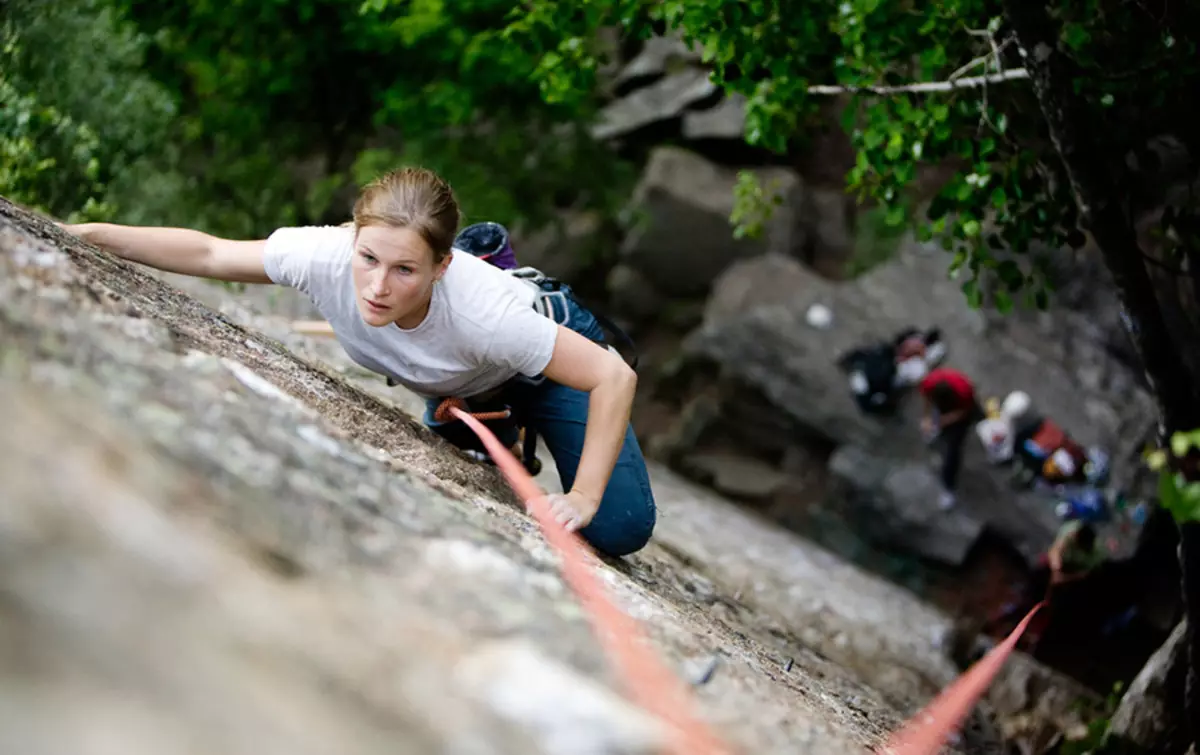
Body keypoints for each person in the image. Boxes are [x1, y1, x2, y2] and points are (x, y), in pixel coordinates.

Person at [58, 167, 657, 557]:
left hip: (540, 357)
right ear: (352, 240)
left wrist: (578, 498)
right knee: (463, 422)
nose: (376, 286)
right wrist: (85, 234)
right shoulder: (323, 255)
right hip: (467, 378)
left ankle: (489, 272)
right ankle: (473, 403)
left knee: (617, 526)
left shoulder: (486, 317)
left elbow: (613, 375)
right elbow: (211, 252)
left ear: (439, 269)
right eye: (369, 258)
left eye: (404, 270)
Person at [918, 366, 984, 510]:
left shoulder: (964, 391)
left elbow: (962, 412)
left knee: (953, 451)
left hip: (964, 410)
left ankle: (949, 489)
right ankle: (936, 436)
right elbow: (927, 401)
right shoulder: (929, 383)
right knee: (934, 426)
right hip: (944, 407)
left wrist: (942, 422)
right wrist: (927, 418)